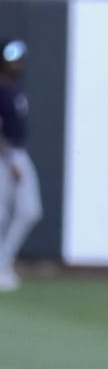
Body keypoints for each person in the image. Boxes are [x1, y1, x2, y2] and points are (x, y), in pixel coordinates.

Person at [0, 38, 40, 292]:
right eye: (11, 60)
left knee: (30, 210)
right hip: (5, 155)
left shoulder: (14, 90)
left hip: (18, 153)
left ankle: (3, 262)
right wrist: (8, 157)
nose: (16, 64)